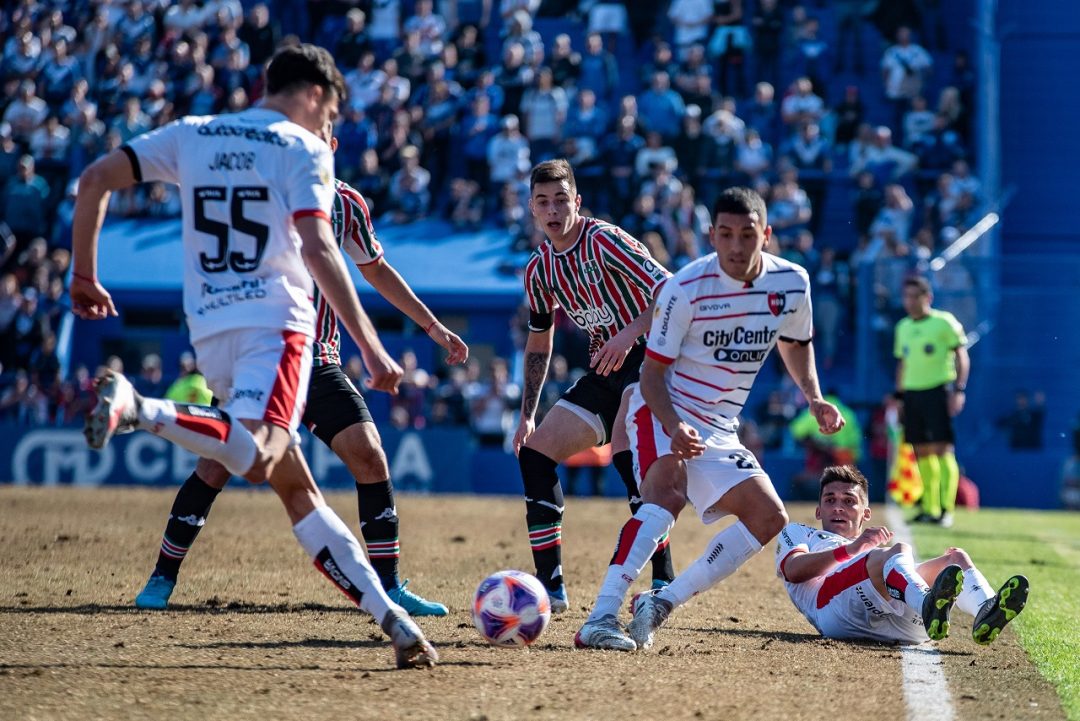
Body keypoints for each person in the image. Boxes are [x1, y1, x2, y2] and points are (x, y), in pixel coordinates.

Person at [69, 44, 436, 669]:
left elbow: (95, 179)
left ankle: (392, 619)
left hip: (211, 327)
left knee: (294, 487)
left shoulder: (193, 133)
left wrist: (83, 273)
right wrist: (372, 346)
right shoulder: (302, 148)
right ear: (316, 95)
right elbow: (318, 248)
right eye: (330, 114)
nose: (328, 128)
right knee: (261, 457)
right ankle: (140, 408)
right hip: (279, 328)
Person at [133, 121, 468, 618]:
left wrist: (433, 327)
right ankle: (163, 575)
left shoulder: (346, 203)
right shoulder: (254, 191)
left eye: (317, 136)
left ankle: (390, 586)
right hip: (260, 357)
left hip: (318, 360)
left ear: (331, 145)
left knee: (369, 454)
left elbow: (376, 269)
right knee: (216, 465)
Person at [576, 186, 845, 651]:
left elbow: (796, 344)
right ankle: (599, 617)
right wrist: (674, 426)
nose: (736, 246)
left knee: (768, 517)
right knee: (666, 496)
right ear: (711, 235)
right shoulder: (685, 288)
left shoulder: (791, 283)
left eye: (747, 234)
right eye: (726, 234)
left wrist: (814, 398)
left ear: (767, 234)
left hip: (719, 425)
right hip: (662, 408)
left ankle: (660, 602)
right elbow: (651, 376)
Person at [514, 158, 676, 612]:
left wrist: (627, 334)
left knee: (626, 445)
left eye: (561, 199)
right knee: (535, 454)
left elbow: (670, 291)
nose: (553, 210)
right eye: (543, 202)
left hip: (653, 357)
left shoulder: (604, 240)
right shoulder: (539, 269)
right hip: (607, 366)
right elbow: (539, 342)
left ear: (577, 201)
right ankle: (551, 588)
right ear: (532, 209)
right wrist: (527, 415)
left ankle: (663, 576)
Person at [776, 465, 1028, 644]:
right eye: (830, 500)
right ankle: (927, 604)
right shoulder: (800, 532)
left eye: (849, 501)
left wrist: (862, 548)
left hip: (903, 625)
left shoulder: (869, 550)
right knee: (897, 550)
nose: (838, 507)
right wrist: (852, 549)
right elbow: (794, 570)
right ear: (818, 511)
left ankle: (985, 610)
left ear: (866, 513)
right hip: (835, 613)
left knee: (955, 559)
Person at [894, 276, 969, 528]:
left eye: (915, 296)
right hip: (912, 395)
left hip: (938, 390)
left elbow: (961, 355)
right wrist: (900, 397)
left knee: (942, 449)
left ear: (928, 297)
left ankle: (946, 509)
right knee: (921, 450)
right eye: (906, 296)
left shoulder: (944, 322)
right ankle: (929, 507)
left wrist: (959, 389)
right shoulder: (903, 327)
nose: (910, 301)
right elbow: (902, 364)